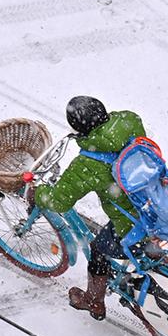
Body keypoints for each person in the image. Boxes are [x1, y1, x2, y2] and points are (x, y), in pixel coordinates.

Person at [28, 96, 146, 320]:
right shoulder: (130, 121)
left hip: (132, 222)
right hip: (155, 206)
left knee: (98, 250)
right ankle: (155, 258)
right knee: (137, 240)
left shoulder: (88, 164)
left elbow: (59, 202)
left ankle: (94, 301)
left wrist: (38, 193)